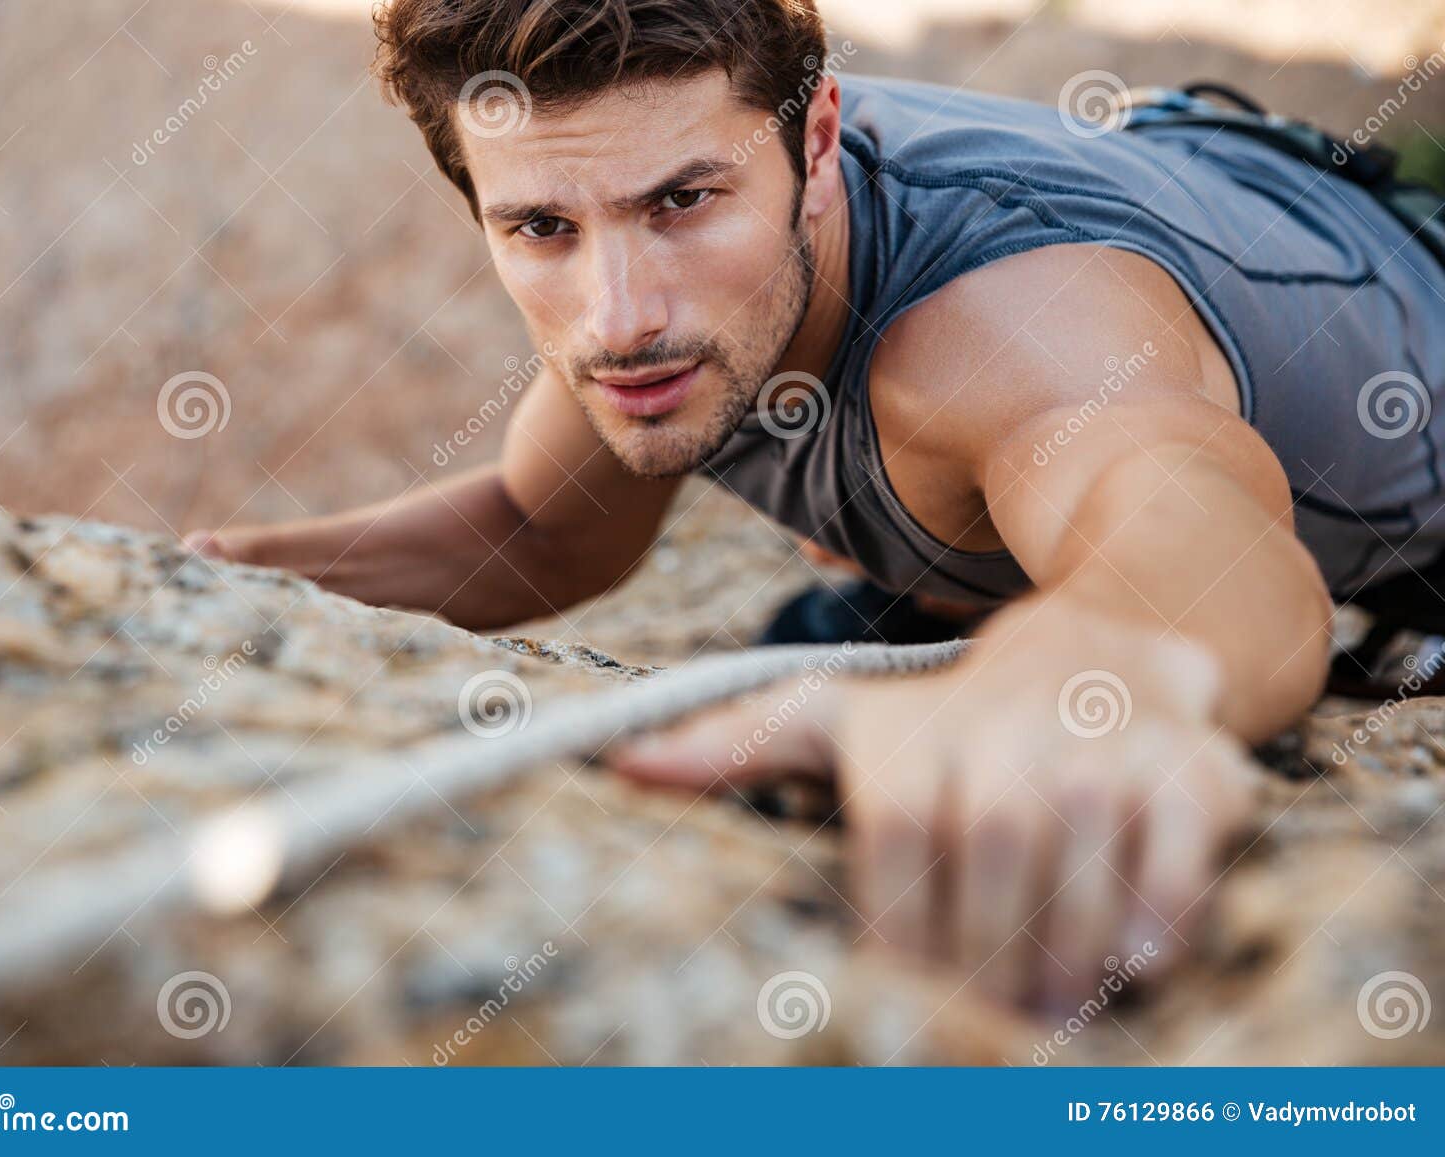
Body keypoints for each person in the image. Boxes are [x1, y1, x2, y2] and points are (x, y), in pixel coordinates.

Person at [182, 0, 1445, 1009]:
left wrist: (1086, 670)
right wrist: (219, 583)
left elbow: (1206, 547)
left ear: (816, 138)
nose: (622, 316)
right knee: (821, 655)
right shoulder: (662, 265)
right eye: (540, 228)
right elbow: (544, 529)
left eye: (682, 201)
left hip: (1396, 318)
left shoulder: (1014, 329)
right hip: (1210, 191)